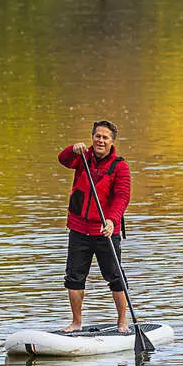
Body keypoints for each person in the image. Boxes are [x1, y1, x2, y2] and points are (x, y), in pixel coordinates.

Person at [58, 120, 132, 334]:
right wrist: (72, 149)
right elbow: (63, 160)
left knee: (115, 277)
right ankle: (76, 323)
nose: (100, 140)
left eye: (105, 137)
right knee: (74, 276)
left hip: (105, 231)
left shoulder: (120, 166)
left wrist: (111, 220)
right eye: (97, 136)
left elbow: (122, 197)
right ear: (93, 137)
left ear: (112, 141)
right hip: (79, 229)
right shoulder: (82, 157)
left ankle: (122, 322)